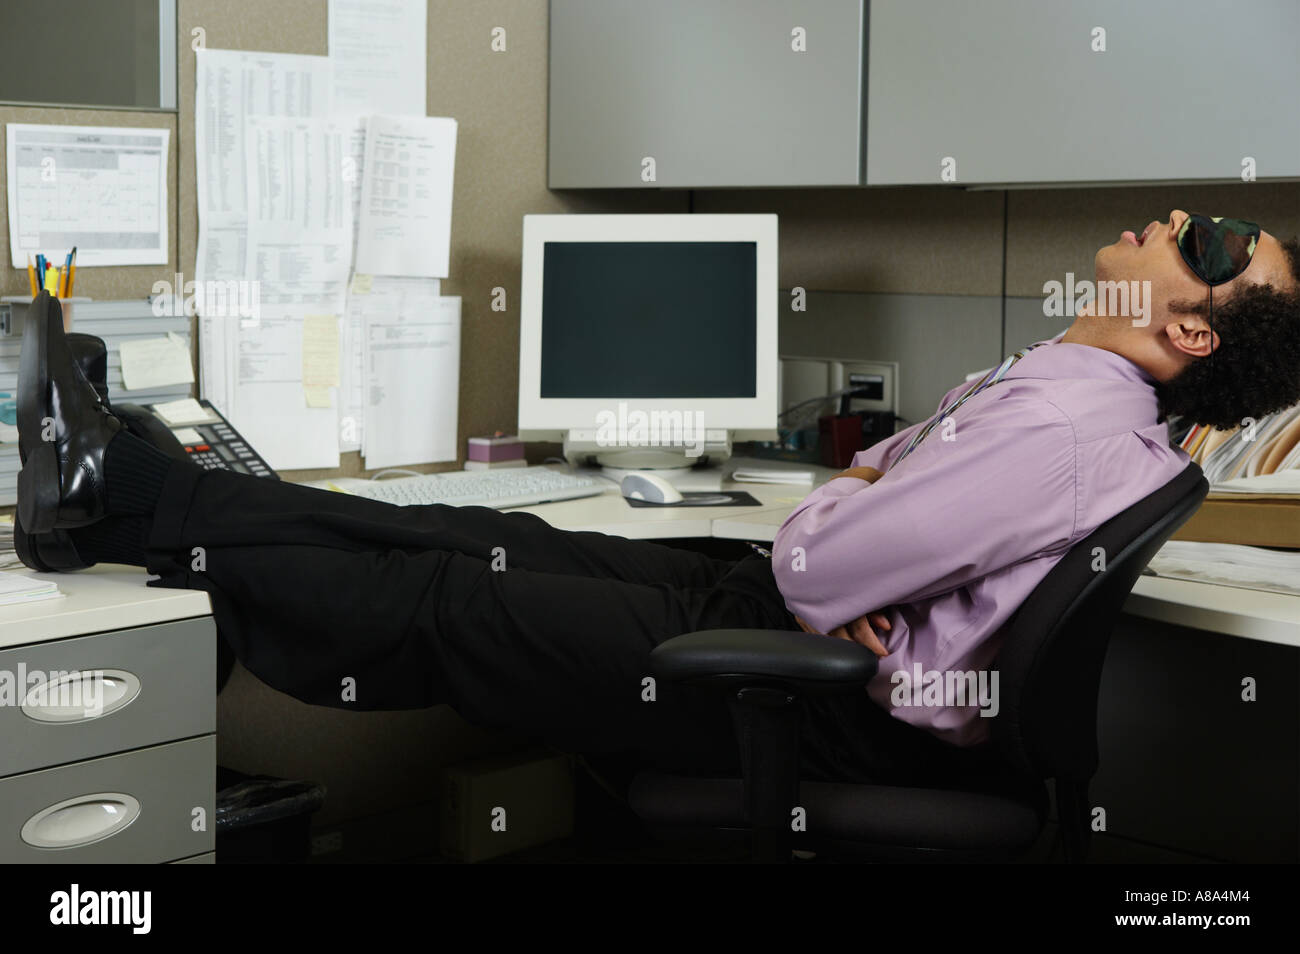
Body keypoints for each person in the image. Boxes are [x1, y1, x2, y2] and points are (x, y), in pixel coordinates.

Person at [14, 210, 1300, 787]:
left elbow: (813, 566)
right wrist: (862, 513)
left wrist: (848, 531)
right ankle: (132, 493)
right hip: (797, 622)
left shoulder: (1071, 428)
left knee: (448, 601)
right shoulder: (1062, 384)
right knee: (490, 532)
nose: (1192, 221)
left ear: (1188, 335)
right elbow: (881, 494)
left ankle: (141, 529)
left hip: (830, 693)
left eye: (1221, 252)